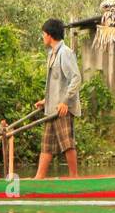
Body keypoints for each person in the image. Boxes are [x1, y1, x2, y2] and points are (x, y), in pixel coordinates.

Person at [34, 18, 81, 178]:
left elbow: (75, 78)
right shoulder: (52, 54)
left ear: (49, 35)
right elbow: (56, 83)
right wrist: (46, 101)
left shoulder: (65, 53)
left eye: (43, 34)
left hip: (62, 109)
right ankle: (38, 179)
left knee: (67, 143)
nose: (42, 37)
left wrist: (65, 101)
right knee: (47, 145)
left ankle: (74, 178)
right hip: (52, 108)